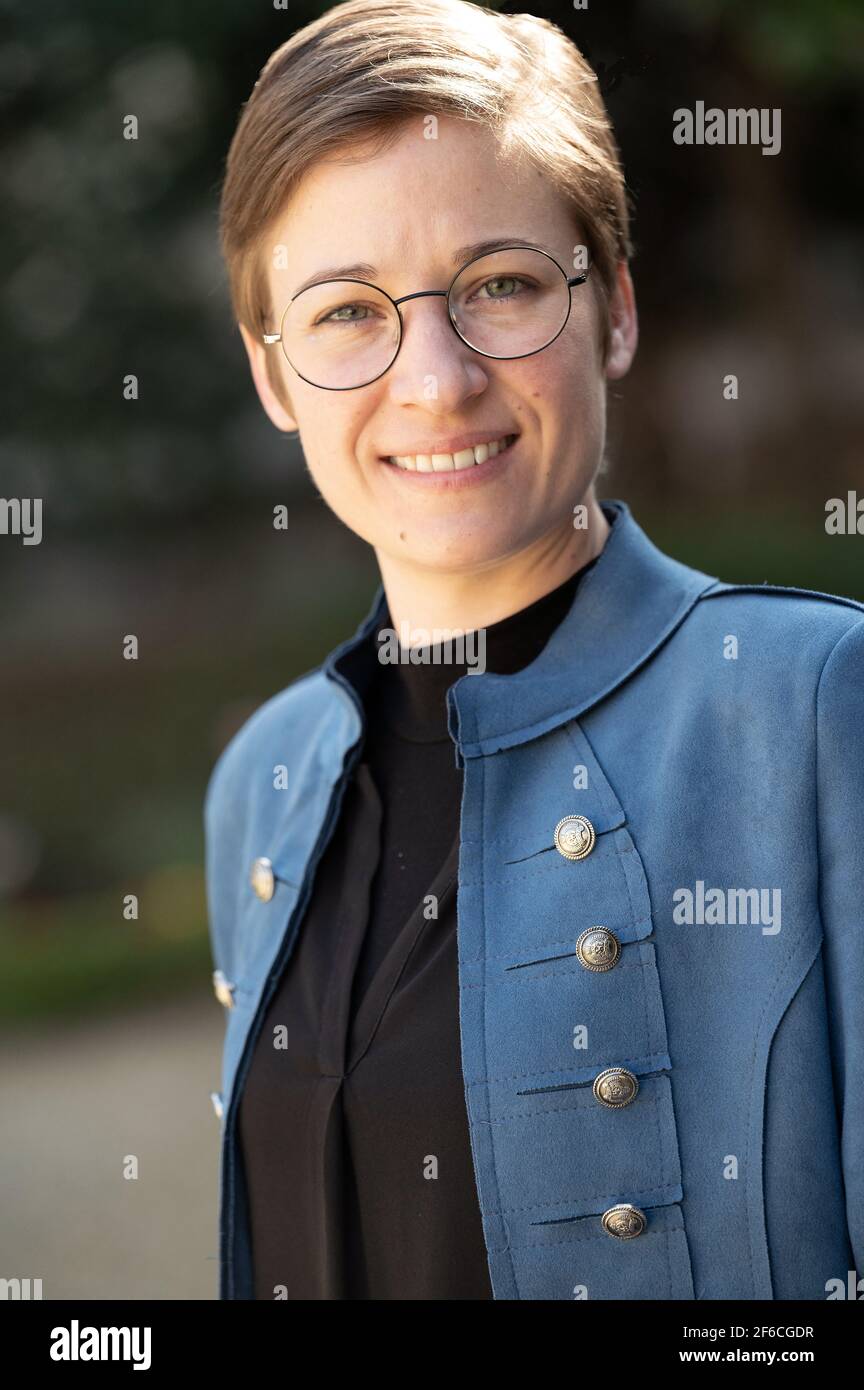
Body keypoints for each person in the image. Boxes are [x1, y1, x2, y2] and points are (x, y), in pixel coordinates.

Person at [205, 0, 864, 1300]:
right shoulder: (262, 782)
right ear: (273, 377)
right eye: (347, 311)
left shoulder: (813, 706)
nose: (436, 379)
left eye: (500, 285)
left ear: (612, 310)